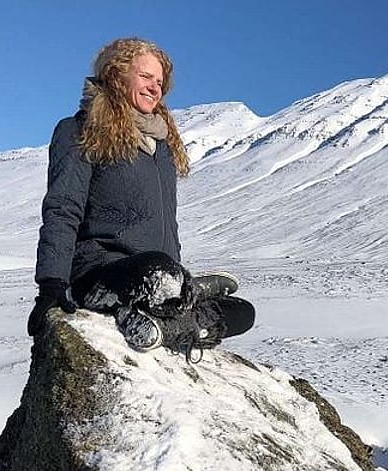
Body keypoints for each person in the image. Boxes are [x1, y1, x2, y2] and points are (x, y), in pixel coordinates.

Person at [27, 37, 254, 356]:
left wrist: (175, 267)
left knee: (243, 311)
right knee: (157, 269)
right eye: (146, 77)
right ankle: (180, 303)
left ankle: (167, 320)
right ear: (116, 75)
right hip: (100, 274)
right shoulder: (79, 130)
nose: (155, 88)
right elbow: (62, 210)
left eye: (160, 82)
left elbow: (167, 224)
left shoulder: (161, 145)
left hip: (158, 276)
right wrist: (51, 285)